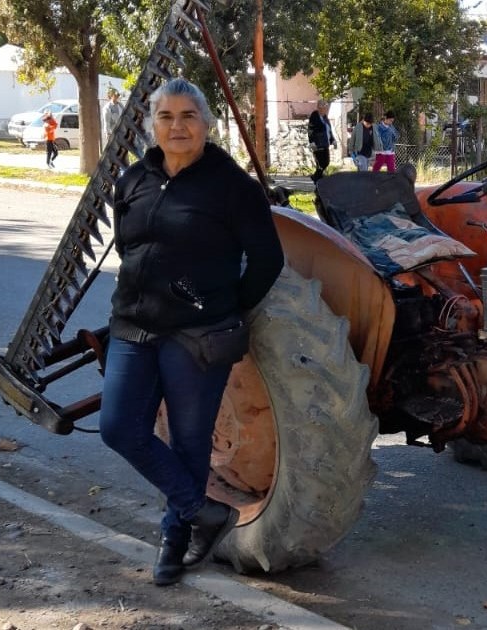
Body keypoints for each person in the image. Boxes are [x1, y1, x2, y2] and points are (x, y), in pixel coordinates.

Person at [100, 77, 285, 587]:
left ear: (207, 124)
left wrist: (227, 308)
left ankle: (173, 540)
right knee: (118, 426)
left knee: (189, 444)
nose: (177, 126)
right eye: (166, 117)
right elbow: (128, 247)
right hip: (133, 327)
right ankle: (203, 511)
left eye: (188, 116)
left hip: (198, 336)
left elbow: (268, 260)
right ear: (152, 125)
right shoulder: (133, 180)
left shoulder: (232, 187)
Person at [307, 99, 335, 182]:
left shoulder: (325, 117)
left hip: (325, 144)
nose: (326, 109)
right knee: (320, 164)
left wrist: (332, 140)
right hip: (318, 144)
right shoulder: (314, 116)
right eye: (324, 108)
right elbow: (310, 129)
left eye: (326, 108)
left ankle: (316, 177)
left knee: (326, 162)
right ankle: (317, 179)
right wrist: (312, 142)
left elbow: (329, 130)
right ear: (319, 108)